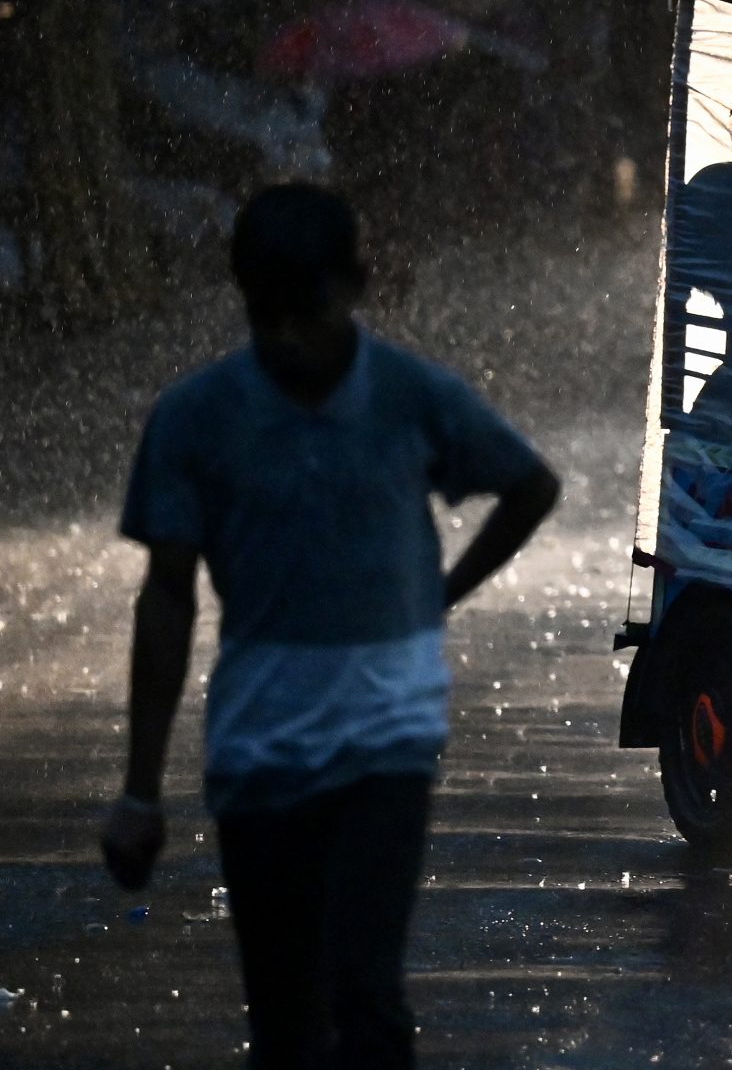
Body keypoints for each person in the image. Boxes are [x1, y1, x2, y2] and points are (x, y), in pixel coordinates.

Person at [99, 184, 560, 1069]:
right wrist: (139, 793)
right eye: (264, 313)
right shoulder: (195, 419)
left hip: (386, 741)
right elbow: (166, 602)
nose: (286, 338)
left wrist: (441, 593)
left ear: (355, 287)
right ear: (242, 296)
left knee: (366, 993)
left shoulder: (411, 396)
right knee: (286, 1021)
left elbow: (531, 485)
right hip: (259, 750)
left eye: (305, 312)